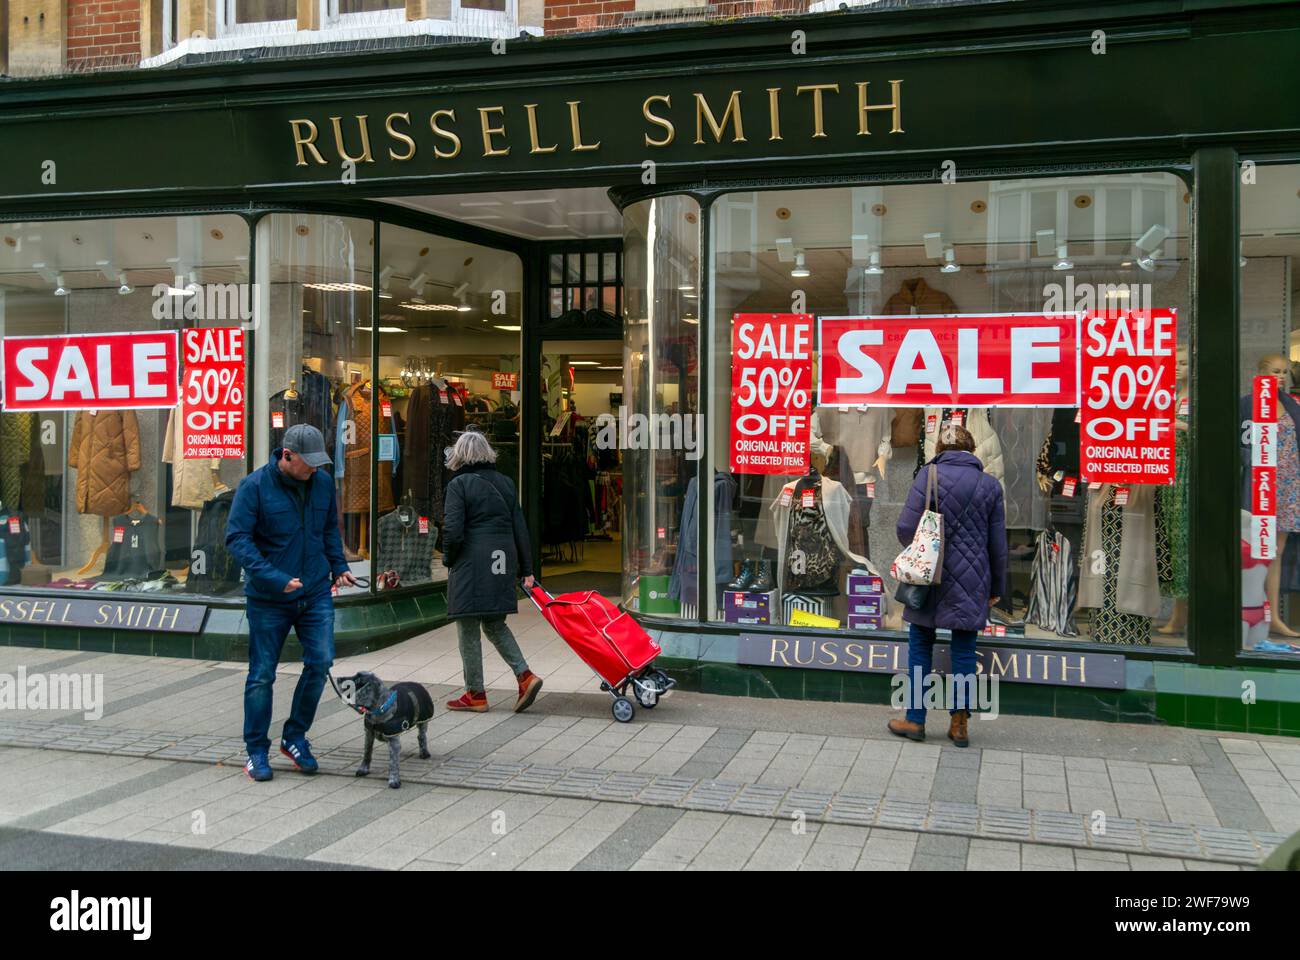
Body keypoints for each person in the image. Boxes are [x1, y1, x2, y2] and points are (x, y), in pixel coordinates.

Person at [226, 423, 356, 781]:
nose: (314, 469)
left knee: (320, 662)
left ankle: (295, 736)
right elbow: (236, 539)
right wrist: (274, 578)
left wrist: (339, 566)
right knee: (262, 674)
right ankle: (256, 750)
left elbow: (329, 529)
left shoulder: (323, 484)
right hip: (269, 598)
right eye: (308, 462)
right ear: (287, 455)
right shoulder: (254, 487)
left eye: (318, 462)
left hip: (314, 591)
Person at [889, 424, 1007, 747]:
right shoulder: (990, 486)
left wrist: (927, 546)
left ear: (939, 449)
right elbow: (999, 545)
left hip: (929, 579)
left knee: (919, 646)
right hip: (972, 580)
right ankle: (959, 725)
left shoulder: (927, 477)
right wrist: (997, 587)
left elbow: (903, 528)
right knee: (964, 650)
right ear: (972, 451)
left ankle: (914, 720)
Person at [441, 429, 543, 713]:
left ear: (461, 455)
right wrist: (527, 568)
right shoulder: (506, 483)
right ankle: (525, 675)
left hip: (471, 562)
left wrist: (448, 559)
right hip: (502, 559)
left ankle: (475, 694)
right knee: (496, 623)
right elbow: (520, 527)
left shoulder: (459, 485)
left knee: (468, 626)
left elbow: (453, 531)